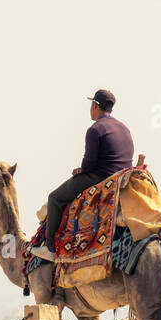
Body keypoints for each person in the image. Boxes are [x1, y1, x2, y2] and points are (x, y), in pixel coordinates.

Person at [31, 89, 134, 262]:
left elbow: (89, 164)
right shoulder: (125, 128)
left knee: (55, 198)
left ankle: (49, 248)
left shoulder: (95, 129)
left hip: (101, 177)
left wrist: (81, 170)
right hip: (122, 177)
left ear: (95, 105)